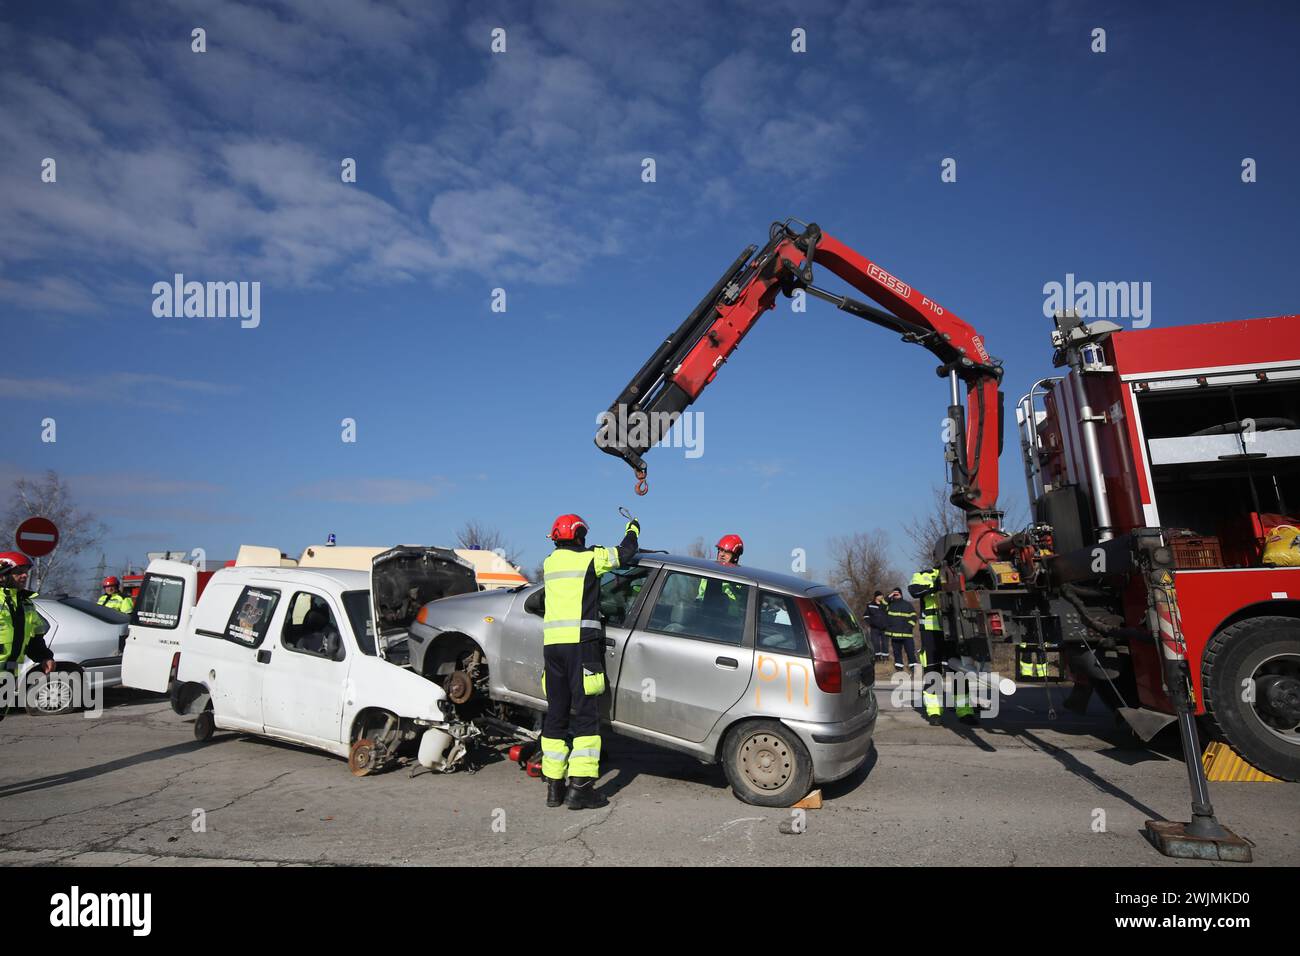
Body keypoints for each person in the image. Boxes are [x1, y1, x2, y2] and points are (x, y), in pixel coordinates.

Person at [540, 513, 639, 810]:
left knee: (555, 716)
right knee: (585, 715)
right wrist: (632, 528)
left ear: (556, 538)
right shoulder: (591, 559)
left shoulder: (549, 563)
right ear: (581, 535)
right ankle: (581, 789)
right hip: (580, 647)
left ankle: (554, 789)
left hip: (552, 648)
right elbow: (626, 553)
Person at [910, 564, 978, 726]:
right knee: (933, 671)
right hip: (931, 630)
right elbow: (914, 590)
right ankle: (934, 712)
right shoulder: (923, 574)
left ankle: (964, 711)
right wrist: (935, 586)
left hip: (955, 628)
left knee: (958, 670)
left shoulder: (959, 573)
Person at [1, 553, 55, 718]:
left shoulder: (25, 603)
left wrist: (44, 656)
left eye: (26, 571)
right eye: (18, 571)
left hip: (9, 674)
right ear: (3, 575)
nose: (24, 575)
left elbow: (34, 636)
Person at [882, 587, 917, 672]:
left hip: (907, 634)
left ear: (901, 594)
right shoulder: (889, 604)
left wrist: (909, 627)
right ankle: (899, 669)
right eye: (894, 594)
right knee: (897, 653)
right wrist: (889, 596)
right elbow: (882, 606)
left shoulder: (908, 605)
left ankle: (913, 669)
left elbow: (913, 617)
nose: (895, 595)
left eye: (897, 593)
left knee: (910, 652)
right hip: (895, 635)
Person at [864, 591, 890, 659]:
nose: (882, 597)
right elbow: (866, 616)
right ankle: (877, 657)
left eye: (882, 595)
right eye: (880, 595)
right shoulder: (870, 604)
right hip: (874, 628)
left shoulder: (885, 604)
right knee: (875, 642)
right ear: (876, 597)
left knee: (885, 643)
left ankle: (885, 657)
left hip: (884, 627)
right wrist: (871, 623)